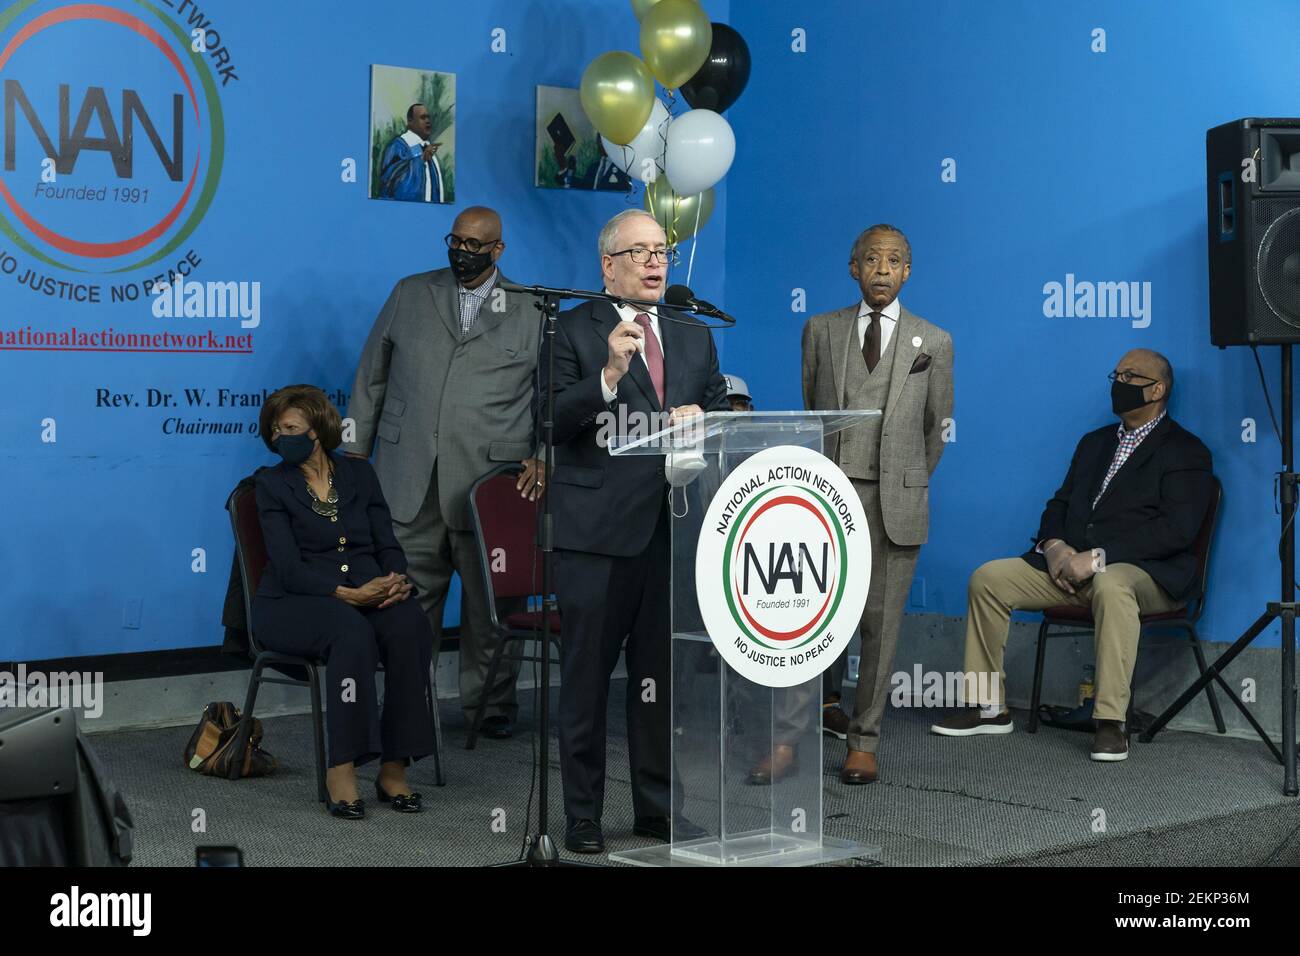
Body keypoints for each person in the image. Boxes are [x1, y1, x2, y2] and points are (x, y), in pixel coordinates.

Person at [543, 209, 729, 853]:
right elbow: (548, 421)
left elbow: (728, 406)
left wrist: (704, 411)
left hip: (669, 530)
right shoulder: (570, 329)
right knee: (587, 681)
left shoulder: (693, 334)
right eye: (641, 251)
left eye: (663, 251)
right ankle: (583, 815)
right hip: (594, 534)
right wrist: (608, 378)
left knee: (658, 680)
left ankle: (657, 811)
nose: (655, 262)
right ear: (608, 265)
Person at [931, 350, 1213, 762]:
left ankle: (1111, 722)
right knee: (989, 578)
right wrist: (1055, 546)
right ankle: (987, 707)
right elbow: (1059, 504)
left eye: (1130, 376)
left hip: (1145, 578)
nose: (1118, 384)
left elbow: (1177, 530)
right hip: (1070, 571)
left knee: (1112, 583)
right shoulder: (1094, 443)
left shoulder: (1186, 451)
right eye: (1116, 374)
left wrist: (1096, 558)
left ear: (1158, 389)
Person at [344, 206, 543, 741]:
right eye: (456, 241)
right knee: (408, 601)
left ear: (498, 250)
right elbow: (370, 377)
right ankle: (411, 702)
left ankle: (492, 703)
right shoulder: (410, 292)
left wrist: (544, 453)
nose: (463, 252)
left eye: (476, 245)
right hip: (408, 479)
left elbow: (553, 396)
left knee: (492, 605)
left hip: (491, 485)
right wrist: (354, 455)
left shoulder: (531, 308)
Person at [794, 224, 954, 785]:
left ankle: (864, 741)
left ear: (908, 271)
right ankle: (794, 732)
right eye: (870, 259)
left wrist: (903, 481)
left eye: (894, 261)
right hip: (829, 494)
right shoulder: (821, 330)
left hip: (893, 502)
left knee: (879, 626)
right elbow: (813, 406)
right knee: (813, 618)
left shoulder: (932, 341)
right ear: (852, 268)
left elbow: (936, 429)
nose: (882, 270)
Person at [251, 385, 434, 819]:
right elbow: (288, 567)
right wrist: (346, 594)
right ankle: (342, 768)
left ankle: (393, 768)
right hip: (293, 602)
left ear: (318, 430)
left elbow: (386, 543)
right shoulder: (270, 485)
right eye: (275, 431)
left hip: (367, 592)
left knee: (410, 625)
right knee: (348, 630)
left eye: (290, 428)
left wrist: (395, 580)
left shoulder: (360, 475)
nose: (280, 437)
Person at [378, 103, 444, 203]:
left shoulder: (428, 146)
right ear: (410, 121)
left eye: (428, 118)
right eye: (423, 118)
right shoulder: (398, 145)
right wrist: (421, 160)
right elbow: (389, 179)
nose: (428, 121)